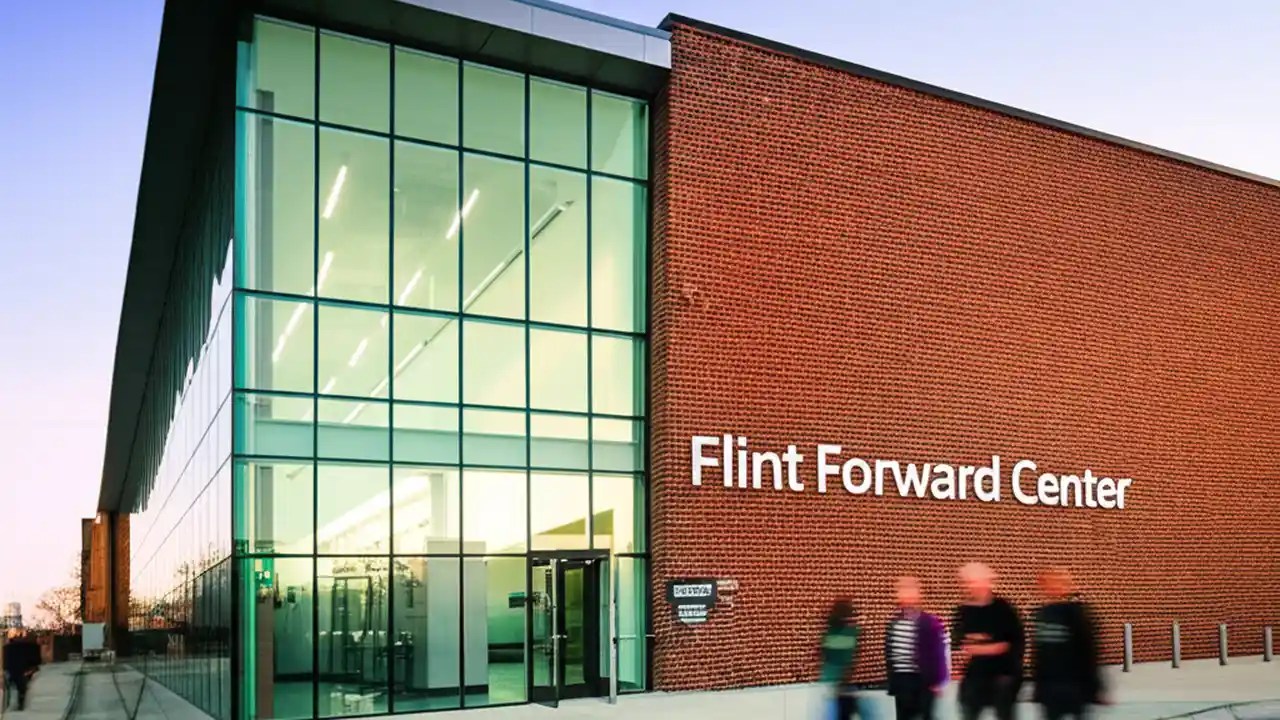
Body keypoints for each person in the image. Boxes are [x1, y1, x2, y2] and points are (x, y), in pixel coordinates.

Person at [953, 563, 1024, 720]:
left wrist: (980, 645)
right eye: (968, 582)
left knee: (1004, 710)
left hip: (1003, 673)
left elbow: (1007, 644)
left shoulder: (1003, 609)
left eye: (974, 581)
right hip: (976, 675)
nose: (971, 586)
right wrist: (985, 644)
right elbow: (961, 643)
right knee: (968, 707)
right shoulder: (964, 610)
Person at [1032, 567, 1105, 720]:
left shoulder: (1077, 614)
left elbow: (1089, 650)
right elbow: (1039, 654)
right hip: (1050, 688)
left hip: (1074, 686)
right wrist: (1038, 687)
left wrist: (1095, 686)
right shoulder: (1043, 614)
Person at [885, 576, 948, 720]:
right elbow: (890, 654)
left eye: (910, 592)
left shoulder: (928, 622)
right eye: (902, 592)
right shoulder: (893, 623)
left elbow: (938, 652)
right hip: (902, 681)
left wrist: (938, 680)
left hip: (922, 681)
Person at [820, 599, 866, 719]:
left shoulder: (829, 634)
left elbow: (825, 654)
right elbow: (850, 656)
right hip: (843, 685)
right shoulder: (851, 633)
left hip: (829, 684)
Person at [2, 628, 41, 711]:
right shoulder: (30, 646)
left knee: (13, 687)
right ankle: (19, 702)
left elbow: (5, 661)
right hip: (22, 670)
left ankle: (11, 703)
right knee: (21, 687)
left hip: (12, 670)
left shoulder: (8, 647)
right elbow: (35, 660)